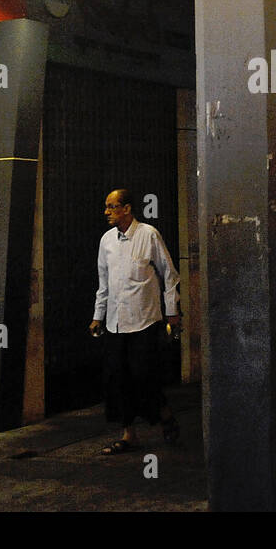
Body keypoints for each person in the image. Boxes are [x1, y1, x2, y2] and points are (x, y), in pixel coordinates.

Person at [89, 188, 180, 455]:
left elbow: (170, 275)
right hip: (116, 323)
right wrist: (98, 316)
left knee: (144, 375)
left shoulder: (148, 235)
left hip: (145, 321)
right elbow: (102, 284)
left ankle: (165, 415)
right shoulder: (106, 241)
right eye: (106, 207)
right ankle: (129, 435)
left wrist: (172, 312)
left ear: (127, 209)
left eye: (111, 206)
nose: (106, 212)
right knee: (117, 379)